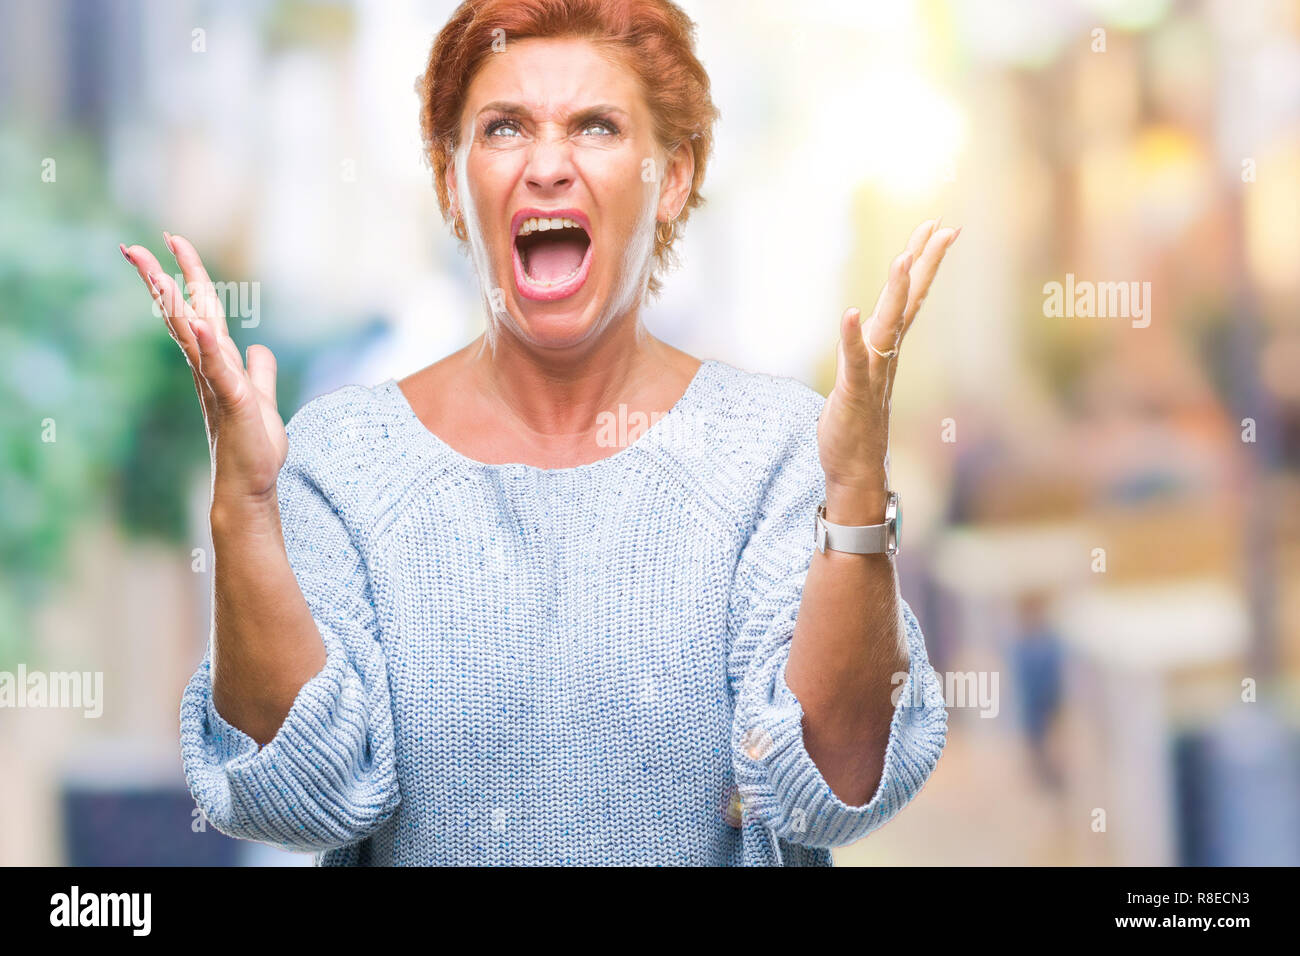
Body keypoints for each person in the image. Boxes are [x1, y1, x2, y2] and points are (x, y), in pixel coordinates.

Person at [119, 0, 956, 866]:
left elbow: (836, 788)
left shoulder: (775, 450)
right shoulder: (343, 459)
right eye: (504, 128)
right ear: (451, 179)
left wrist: (856, 490)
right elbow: (300, 801)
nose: (549, 164)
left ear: (670, 177)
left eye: (596, 126)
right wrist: (245, 507)